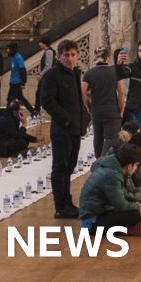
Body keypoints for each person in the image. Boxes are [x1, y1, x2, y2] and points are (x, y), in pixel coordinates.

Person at [39, 39, 89, 219]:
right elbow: (47, 101)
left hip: (75, 129)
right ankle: (60, 206)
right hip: (62, 129)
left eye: (73, 55)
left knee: (69, 167)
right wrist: (66, 119)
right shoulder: (52, 75)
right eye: (66, 55)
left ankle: (68, 202)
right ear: (59, 56)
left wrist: (84, 119)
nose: (70, 58)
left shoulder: (75, 73)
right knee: (60, 168)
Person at [79, 143, 141, 236]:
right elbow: (120, 205)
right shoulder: (112, 175)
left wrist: (135, 202)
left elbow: (122, 193)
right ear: (129, 166)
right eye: (136, 165)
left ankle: (127, 227)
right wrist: (136, 207)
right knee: (134, 214)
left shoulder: (114, 169)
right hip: (92, 222)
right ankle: (126, 228)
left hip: (102, 212)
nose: (136, 168)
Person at [82, 47, 128, 157]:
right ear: (107, 58)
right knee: (112, 139)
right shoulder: (115, 71)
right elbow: (121, 92)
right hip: (112, 111)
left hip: (96, 111)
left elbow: (82, 92)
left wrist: (88, 106)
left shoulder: (89, 73)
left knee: (97, 138)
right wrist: (121, 109)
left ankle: (98, 159)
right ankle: (106, 160)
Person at [6, 42, 34, 113]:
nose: (7, 50)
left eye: (8, 49)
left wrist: (23, 82)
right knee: (20, 98)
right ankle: (32, 111)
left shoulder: (18, 58)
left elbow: (23, 70)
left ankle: (8, 112)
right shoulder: (13, 57)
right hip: (13, 81)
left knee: (11, 98)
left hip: (17, 82)